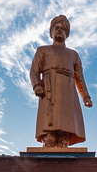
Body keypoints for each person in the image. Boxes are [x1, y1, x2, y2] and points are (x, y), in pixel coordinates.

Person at [29, 15, 92, 147]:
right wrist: (36, 85)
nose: (59, 30)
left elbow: (79, 77)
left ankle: (64, 145)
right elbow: (34, 71)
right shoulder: (43, 50)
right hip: (48, 91)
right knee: (49, 135)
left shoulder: (73, 54)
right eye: (56, 28)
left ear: (66, 33)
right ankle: (48, 143)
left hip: (67, 93)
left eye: (63, 29)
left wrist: (85, 96)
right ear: (51, 32)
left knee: (65, 133)